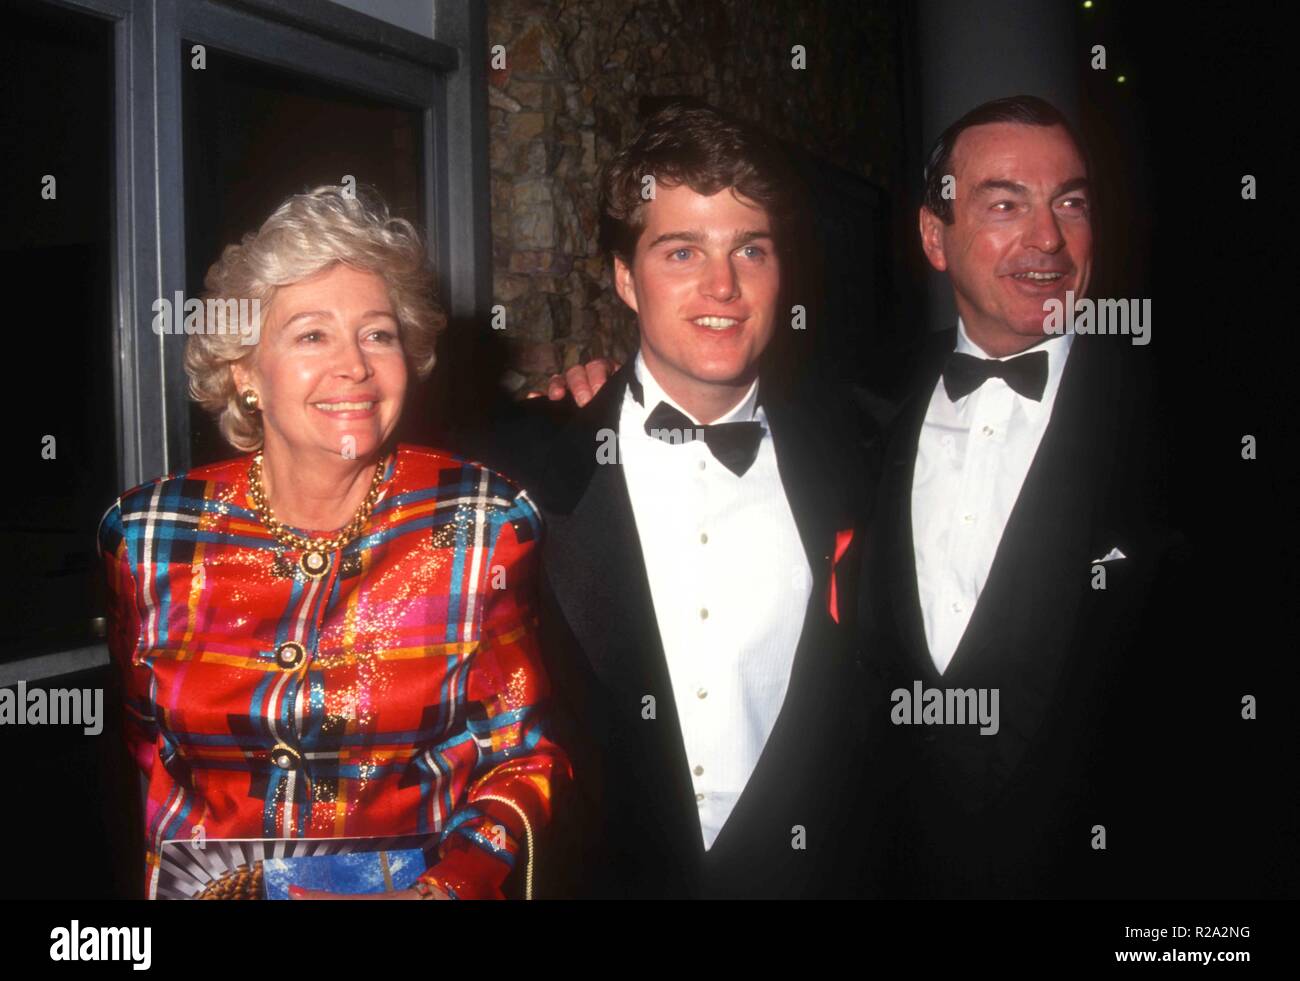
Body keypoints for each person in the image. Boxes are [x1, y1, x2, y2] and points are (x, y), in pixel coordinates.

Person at [97, 186, 568, 900]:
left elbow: (522, 758)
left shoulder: (482, 523)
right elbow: (148, 757)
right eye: (312, 334)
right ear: (244, 373)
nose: (354, 365)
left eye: (378, 333)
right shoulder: (147, 536)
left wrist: (455, 885)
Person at [468, 102, 888, 898]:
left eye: (750, 251)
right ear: (626, 278)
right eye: (683, 250)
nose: (722, 286)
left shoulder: (867, 459)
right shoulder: (517, 474)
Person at [863, 95, 1196, 898]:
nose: (1048, 239)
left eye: (1071, 203)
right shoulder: (861, 414)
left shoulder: (1192, 431)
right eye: (1005, 203)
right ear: (933, 236)